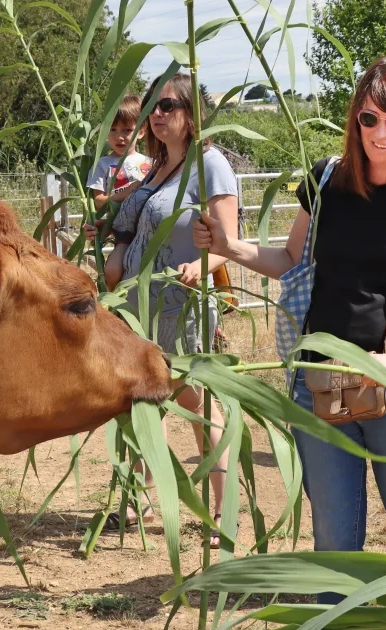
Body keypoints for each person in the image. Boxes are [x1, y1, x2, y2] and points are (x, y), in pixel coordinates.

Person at [193, 54, 386, 596]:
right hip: (323, 382)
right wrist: (229, 247)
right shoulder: (326, 181)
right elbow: (292, 259)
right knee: (335, 544)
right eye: (369, 118)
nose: (379, 133)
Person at [84, 72, 238, 548]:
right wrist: (102, 230)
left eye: (167, 105)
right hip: (136, 311)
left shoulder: (209, 165)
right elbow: (134, 225)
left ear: (192, 113)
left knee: (197, 404)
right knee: (142, 403)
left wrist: (200, 265)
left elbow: (229, 242)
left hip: (179, 306)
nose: (156, 113)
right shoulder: (155, 167)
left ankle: (224, 511)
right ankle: (143, 500)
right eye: (152, 105)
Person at [86, 95, 152, 290]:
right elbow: (99, 201)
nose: (119, 136)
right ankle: (112, 303)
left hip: (150, 229)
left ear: (141, 131)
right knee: (111, 272)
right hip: (123, 231)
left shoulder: (151, 163)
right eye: (112, 129)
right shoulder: (102, 164)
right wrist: (128, 192)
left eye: (127, 130)